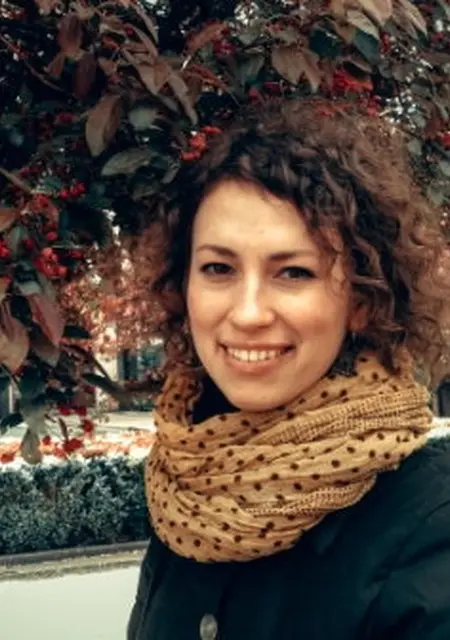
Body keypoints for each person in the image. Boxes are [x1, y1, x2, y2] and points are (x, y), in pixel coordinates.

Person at [127, 101, 450, 640]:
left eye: (293, 272)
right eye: (218, 268)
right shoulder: (185, 490)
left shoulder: (431, 529)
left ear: (362, 301)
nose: (248, 313)